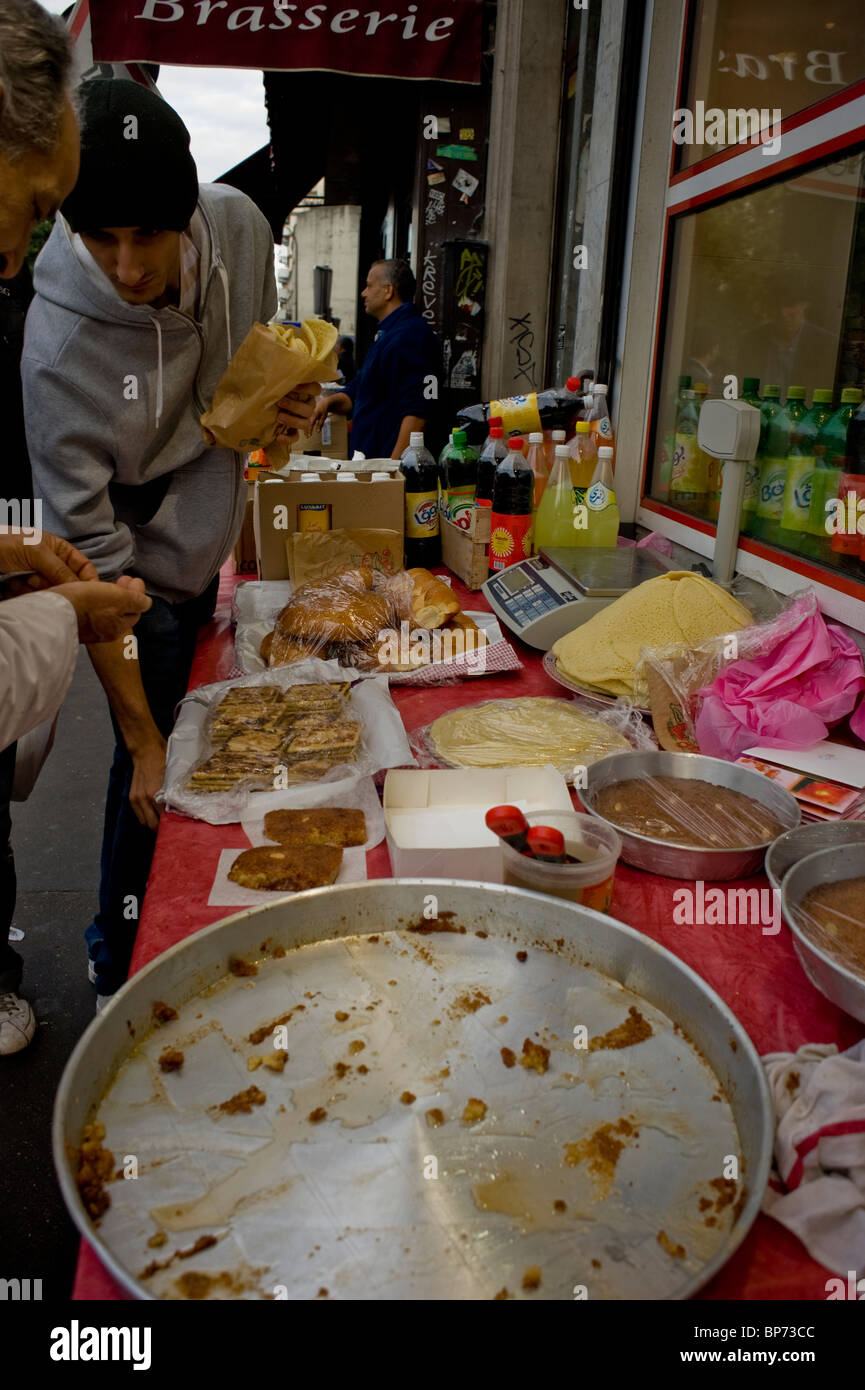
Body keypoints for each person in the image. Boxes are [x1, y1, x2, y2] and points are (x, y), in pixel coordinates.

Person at [22, 77, 316, 1008]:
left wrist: (288, 404)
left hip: (208, 554)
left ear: (188, 213)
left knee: (226, 754)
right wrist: (142, 733)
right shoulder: (57, 349)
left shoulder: (238, 227)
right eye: (98, 238)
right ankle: (115, 961)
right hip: (130, 579)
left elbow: (254, 388)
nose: (126, 265)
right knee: (146, 773)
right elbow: (89, 569)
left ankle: (213, 935)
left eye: (146, 234)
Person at [0, 0, 151, 1053]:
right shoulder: (49, 342)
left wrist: (8, 553)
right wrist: (69, 612)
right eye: (43, 204)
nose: (26, 250)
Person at [309, 259, 441, 459]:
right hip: (369, 465)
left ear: (388, 291)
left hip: (385, 470)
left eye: (369, 286)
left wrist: (393, 472)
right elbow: (360, 389)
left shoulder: (414, 336)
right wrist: (329, 402)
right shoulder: (387, 333)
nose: (364, 293)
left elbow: (418, 414)